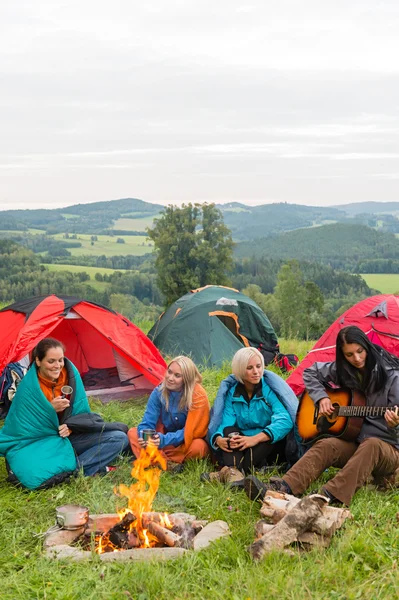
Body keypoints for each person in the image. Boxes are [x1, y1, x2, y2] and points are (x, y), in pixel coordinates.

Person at [245, 326, 399, 506]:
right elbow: (310, 372)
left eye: (360, 351)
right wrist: (321, 397)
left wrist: (394, 424)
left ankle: (327, 496)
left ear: (367, 347)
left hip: (388, 450)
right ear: (343, 355)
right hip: (357, 443)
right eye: (349, 355)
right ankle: (284, 487)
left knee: (372, 444)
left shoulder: (392, 376)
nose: (357, 359)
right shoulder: (345, 369)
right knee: (327, 445)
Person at [0, 338, 129, 489]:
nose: (57, 366)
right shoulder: (29, 388)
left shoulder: (70, 377)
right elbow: (23, 428)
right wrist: (48, 409)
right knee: (28, 468)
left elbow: (82, 413)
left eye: (60, 360)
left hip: (68, 438)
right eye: (51, 361)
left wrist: (72, 427)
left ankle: (73, 471)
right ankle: (79, 468)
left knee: (118, 438)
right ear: (38, 361)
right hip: (42, 443)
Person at [203, 347, 294, 483]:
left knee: (270, 436)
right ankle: (237, 473)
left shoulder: (268, 390)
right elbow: (225, 422)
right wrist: (218, 439)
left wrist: (256, 438)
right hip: (243, 444)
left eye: (258, 366)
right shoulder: (233, 393)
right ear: (240, 370)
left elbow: (285, 420)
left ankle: (231, 472)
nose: (256, 372)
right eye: (249, 368)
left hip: (265, 445)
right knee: (229, 431)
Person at [128, 356, 210, 470]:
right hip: (162, 441)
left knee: (199, 447)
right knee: (133, 433)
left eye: (177, 376)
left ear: (186, 379)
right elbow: (147, 422)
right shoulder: (159, 392)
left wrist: (163, 440)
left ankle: (157, 460)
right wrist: (145, 438)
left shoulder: (198, 395)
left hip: (184, 442)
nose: (170, 378)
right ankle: (168, 463)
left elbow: (192, 431)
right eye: (169, 372)